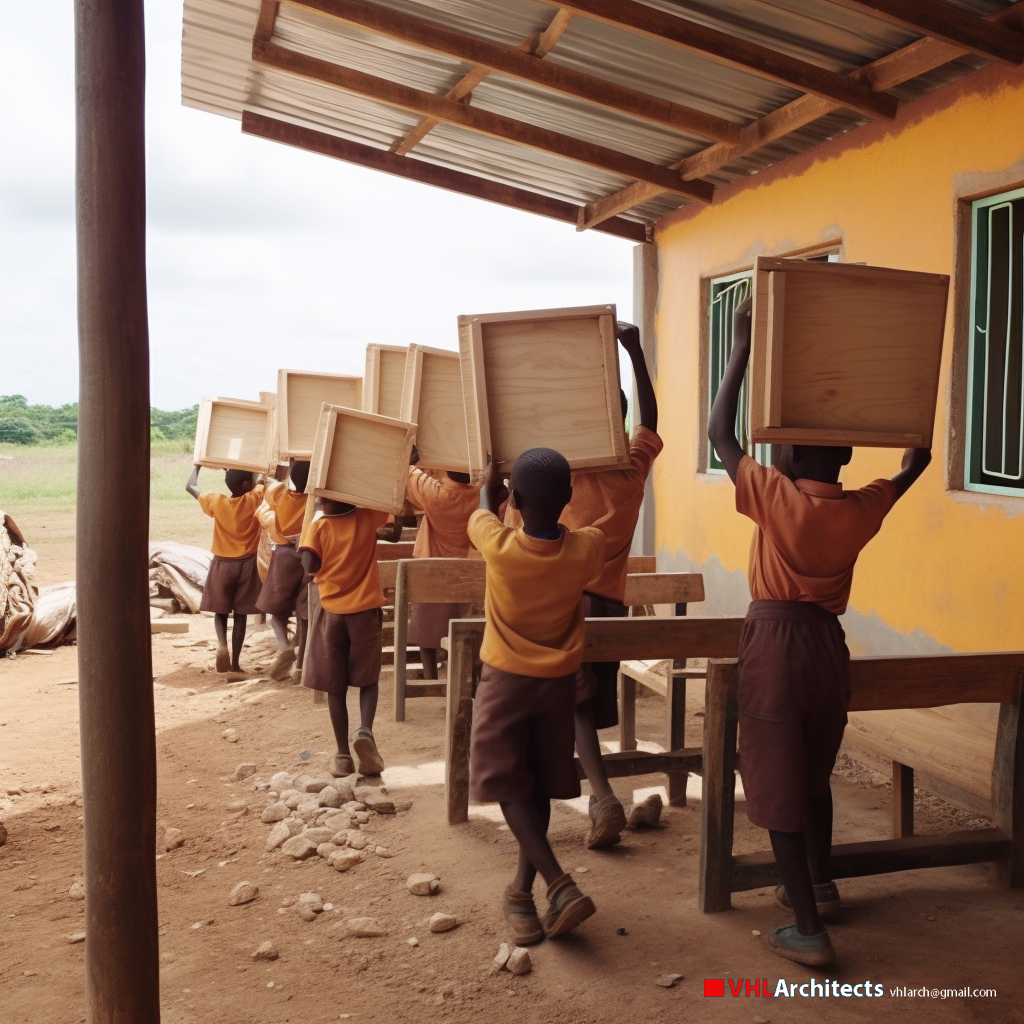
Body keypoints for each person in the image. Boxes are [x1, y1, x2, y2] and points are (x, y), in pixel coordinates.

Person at [708, 296, 931, 967]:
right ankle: (822, 884)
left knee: (776, 779)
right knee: (813, 772)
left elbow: (722, 434)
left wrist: (742, 344)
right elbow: (911, 467)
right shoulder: (860, 508)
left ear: (792, 452)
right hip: (827, 648)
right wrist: (910, 400)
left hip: (775, 643)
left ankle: (805, 926)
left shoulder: (776, 499)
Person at [468, 449, 605, 945]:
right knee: (539, 782)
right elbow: (590, 532)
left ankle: (558, 884)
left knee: (506, 783)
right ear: (569, 497)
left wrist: (493, 487)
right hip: (558, 688)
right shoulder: (588, 549)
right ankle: (521, 894)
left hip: (505, 683)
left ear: (515, 499)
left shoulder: (496, 545)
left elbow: (482, 509)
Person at [562, 321, 663, 849]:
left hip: (564, 605)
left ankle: (601, 798)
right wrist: (635, 352)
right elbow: (650, 419)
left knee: (573, 704)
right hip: (610, 606)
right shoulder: (630, 474)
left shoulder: (564, 477)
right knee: (580, 703)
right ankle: (600, 794)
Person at [299, 497, 389, 778]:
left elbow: (309, 565)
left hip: (333, 615)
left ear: (322, 497)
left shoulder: (319, 526)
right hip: (365, 613)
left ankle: (342, 756)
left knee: (334, 686)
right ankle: (365, 731)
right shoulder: (368, 515)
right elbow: (388, 500)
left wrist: (308, 529)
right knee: (369, 679)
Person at [404, 451, 479, 679]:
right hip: (468, 571)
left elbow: (409, 474)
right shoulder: (481, 496)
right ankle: (466, 676)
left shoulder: (435, 493)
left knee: (425, 626)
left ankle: (430, 676)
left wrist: (415, 458)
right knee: (466, 624)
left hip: (433, 568)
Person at [186, 466, 265, 673]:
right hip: (247, 564)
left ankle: (222, 645)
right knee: (240, 614)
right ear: (247, 484)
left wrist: (198, 465)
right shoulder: (253, 499)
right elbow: (263, 478)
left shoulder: (216, 501)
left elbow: (190, 486)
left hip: (222, 563)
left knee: (221, 610)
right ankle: (236, 664)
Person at [256, 459, 311, 681]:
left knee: (277, 614)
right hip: (308, 555)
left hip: (284, 557)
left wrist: (264, 478)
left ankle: (283, 647)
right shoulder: (314, 501)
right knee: (304, 614)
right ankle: (302, 663)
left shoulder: (280, 493)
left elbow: (271, 486)